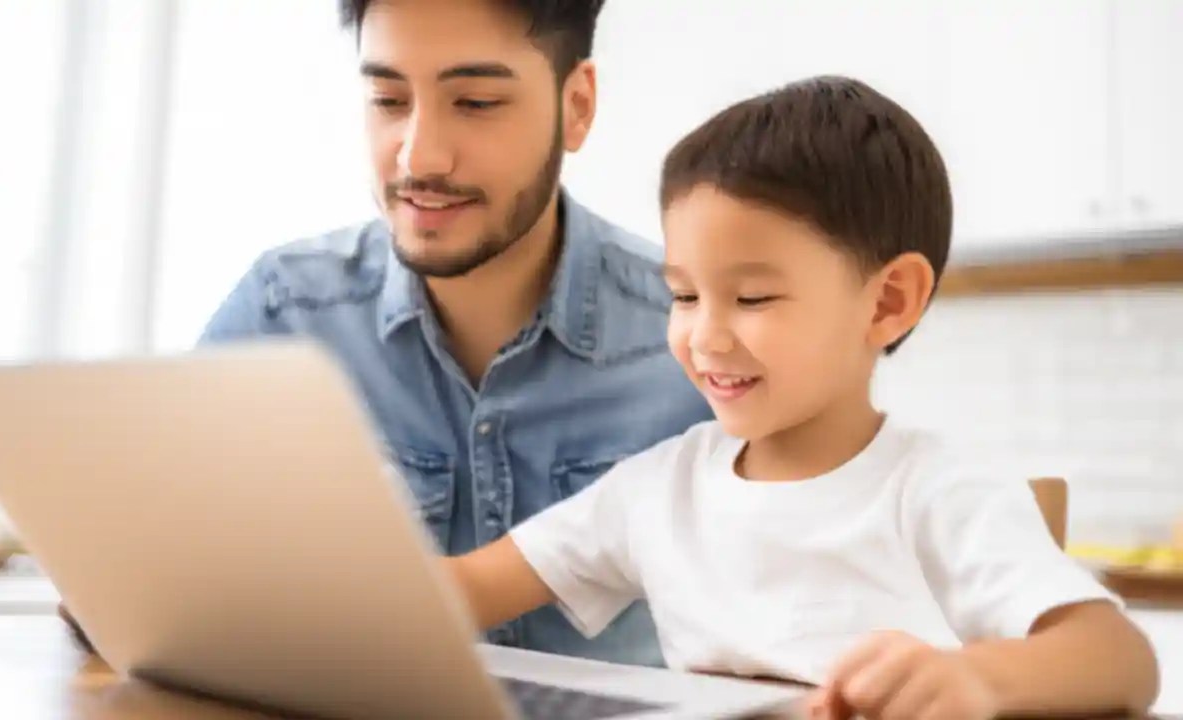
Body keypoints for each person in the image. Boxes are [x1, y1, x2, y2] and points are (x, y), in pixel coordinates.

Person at [440, 76, 1161, 719]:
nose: (706, 337)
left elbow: (1121, 658)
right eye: (684, 295)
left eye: (752, 297)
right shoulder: (658, 489)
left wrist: (975, 679)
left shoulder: (938, 491)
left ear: (887, 303)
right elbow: (456, 592)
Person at [186, 0, 710, 666]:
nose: (419, 156)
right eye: (387, 99)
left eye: (476, 103)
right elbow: (161, 573)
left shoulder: (698, 338)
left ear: (576, 106)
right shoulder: (284, 314)